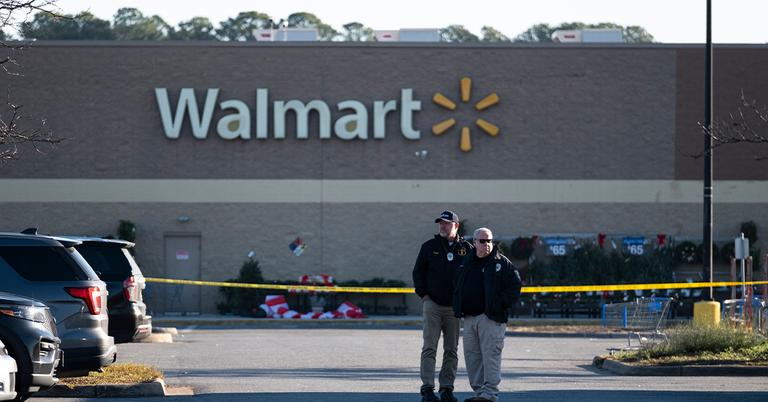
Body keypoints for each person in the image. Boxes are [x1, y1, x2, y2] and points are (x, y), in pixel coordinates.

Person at [453, 227, 522, 402]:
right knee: (472, 357)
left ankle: (490, 394)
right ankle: (480, 394)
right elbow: (458, 285)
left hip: (490, 317)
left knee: (491, 356)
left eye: (489, 241)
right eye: (482, 241)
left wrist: (499, 304)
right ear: (474, 243)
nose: (487, 244)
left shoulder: (502, 263)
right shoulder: (467, 261)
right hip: (469, 318)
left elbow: (515, 286)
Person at [413, 210, 472, 402]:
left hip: (454, 308)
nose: (442, 226)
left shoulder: (467, 249)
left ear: (456, 226)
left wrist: (465, 299)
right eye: (440, 223)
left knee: (451, 349)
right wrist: (424, 295)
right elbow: (418, 272)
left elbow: (472, 276)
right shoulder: (429, 247)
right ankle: (427, 389)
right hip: (433, 305)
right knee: (429, 347)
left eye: (447, 223)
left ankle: (446, 389)